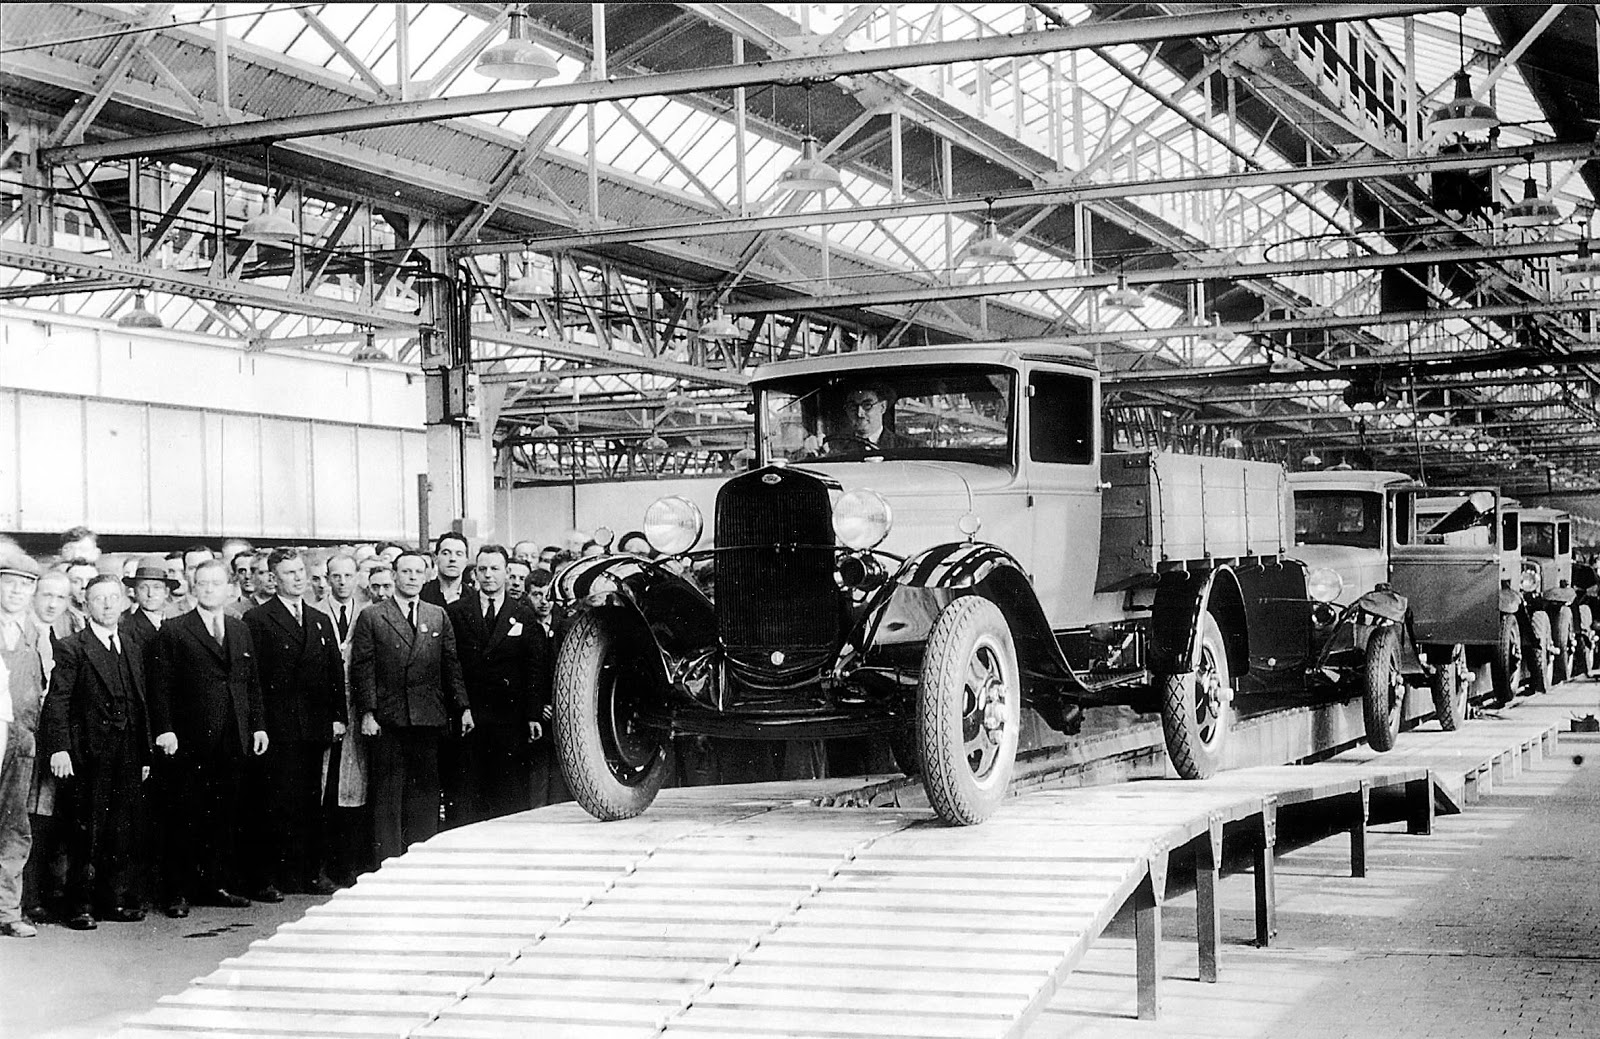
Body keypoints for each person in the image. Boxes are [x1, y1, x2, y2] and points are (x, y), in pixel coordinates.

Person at [148, 559, 268, 915]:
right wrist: (165, 729)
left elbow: (252, 682)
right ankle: (177, 892)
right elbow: (160, 687)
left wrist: (257, 725)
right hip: (190, 739)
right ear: (192, 587)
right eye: (203, 583)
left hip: (233, 735)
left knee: (223, 814)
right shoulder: (174, 630)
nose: (210, 589)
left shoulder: (239, 629)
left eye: (217, 583)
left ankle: (214, 884)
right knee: (185, 814)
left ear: (229, 588)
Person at [40, 575, 151, 929]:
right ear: (86, 605)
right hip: (88, 753)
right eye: (98, 599)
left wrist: (145, 754)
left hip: (128, 751)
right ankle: (80, 904)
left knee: (121, 827)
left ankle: (112, 900)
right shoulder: (72, 646)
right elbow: (57, 701)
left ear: (122, 602)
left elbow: (139, 701)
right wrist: (60, 748)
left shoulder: (131, 644)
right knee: (85, 829)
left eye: (112, 598)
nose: (106, 605)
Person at [350, 551, 470, 862]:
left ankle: (421, 859)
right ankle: (387, 861)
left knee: (426, 794)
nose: (412, 577)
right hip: (390, 718)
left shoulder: (436, 615)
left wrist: (462, 707)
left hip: (428, 717)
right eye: (406, 571)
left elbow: (450, 665)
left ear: (427, 575)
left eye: (418, 571)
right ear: (394, 574)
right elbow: (363, 668)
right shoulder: (373, 616)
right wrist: (368, 713)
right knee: (389, 795)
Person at [243, 548, 346, 899]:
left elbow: (334, 671)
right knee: (275, 802)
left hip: (314, 726)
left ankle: (309, 872)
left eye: (301, 571)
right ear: (274, 578)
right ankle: (268, 876)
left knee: (309, 801)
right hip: (278, 727)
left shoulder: (318, 619)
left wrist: (337, 716)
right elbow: (252, 679)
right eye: (289, 573)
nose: (298, 578)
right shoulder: (258, 620)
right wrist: (258, 724)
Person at [445, 546, 549, 824]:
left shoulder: (523, 614)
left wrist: (532, 714)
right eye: (483, 569)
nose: (488, 575)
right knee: (469, 794)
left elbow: (533, 667)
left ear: (506, 573)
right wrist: (462, 707)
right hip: (472, 716)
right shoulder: (456, 612)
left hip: (510, 719)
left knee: (510, 795)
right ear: (475, 573)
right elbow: (450, 664)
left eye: (494, 569)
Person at [311, 553, 371, 885]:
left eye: (348, 575)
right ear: (327, 578)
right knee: (326, 788)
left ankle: (352, 863)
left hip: (357, 709)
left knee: (355, 790)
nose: (343, 582)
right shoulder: (315, 612)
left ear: (357, 577)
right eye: (336, 576)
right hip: (326, 711)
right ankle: (324, 865)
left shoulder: (370, 612)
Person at [0, 554, 45, 937]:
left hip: (20, 740)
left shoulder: (32, 632)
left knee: (14, 826)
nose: (17, 591)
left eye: (25, 585)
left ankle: (7, 911)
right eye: (9, 582)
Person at [825, 383, 906, 455]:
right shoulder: (834, 448)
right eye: (853, 407)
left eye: (867, 405)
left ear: (882, 407)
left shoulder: (907, 447)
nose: (859, 414)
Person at [420, 532, 472, 606]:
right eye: (446, 553)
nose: (453, 559)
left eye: (459, 554)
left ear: (466, 561)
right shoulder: (421, 594)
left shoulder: (475, 598)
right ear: (435, 558)